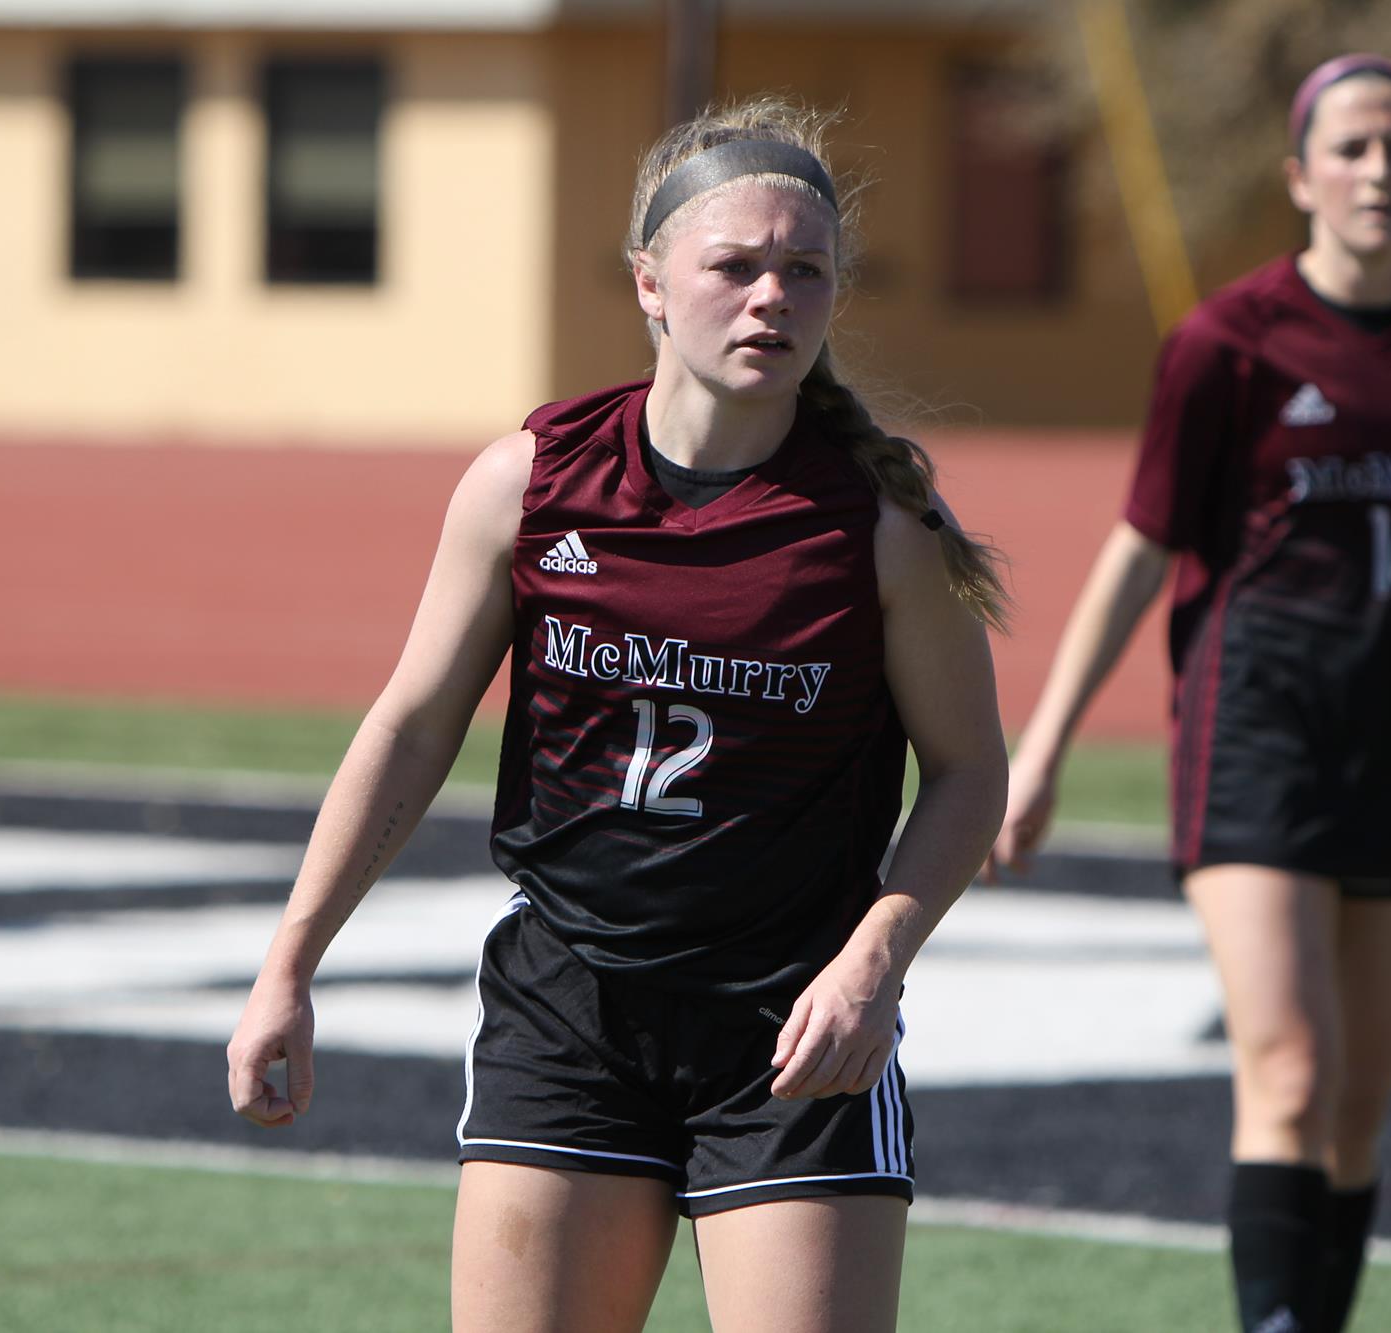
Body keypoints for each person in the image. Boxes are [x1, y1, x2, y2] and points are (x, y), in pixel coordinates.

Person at [227, 97, 1009, 1333]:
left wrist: (874, 962)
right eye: (734, 266)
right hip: (568, 1010)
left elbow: (968, 773)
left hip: (789, 1027)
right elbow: (412, 727)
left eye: (803, 272)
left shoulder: (878, 525)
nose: (770, 299)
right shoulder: (530, 482)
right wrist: (289, 964)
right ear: (649, 282)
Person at [988, 54, 1391, 1333]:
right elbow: (1141, 545)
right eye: (1353, 148)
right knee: (1292, 1074)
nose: (1379, 171)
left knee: (1359, 1110)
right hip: (1257, 728)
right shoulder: (1225, 344)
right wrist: (1037, 751)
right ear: (1299, 175)